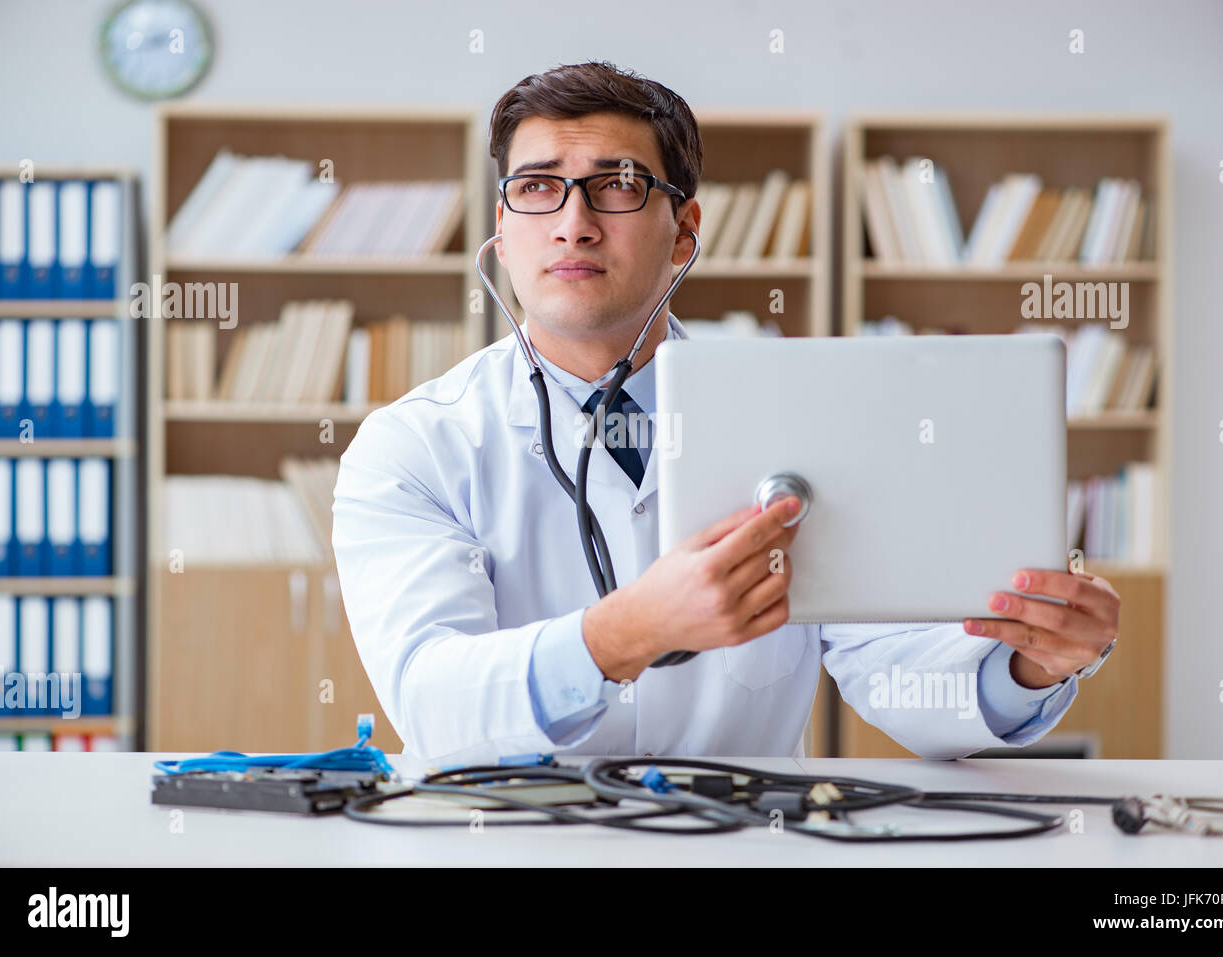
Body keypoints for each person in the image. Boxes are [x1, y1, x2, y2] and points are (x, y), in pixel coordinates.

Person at [331, 60, 1121, 766]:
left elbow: (891, 669)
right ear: (502, 235)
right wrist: (624, 633)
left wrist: (1026, 667)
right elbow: (432, 700)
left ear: (684, 232)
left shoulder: (809, 418)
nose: (574, 220)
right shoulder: (414, 446)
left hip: (742, 844)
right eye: (536, 187)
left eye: (618, 183)